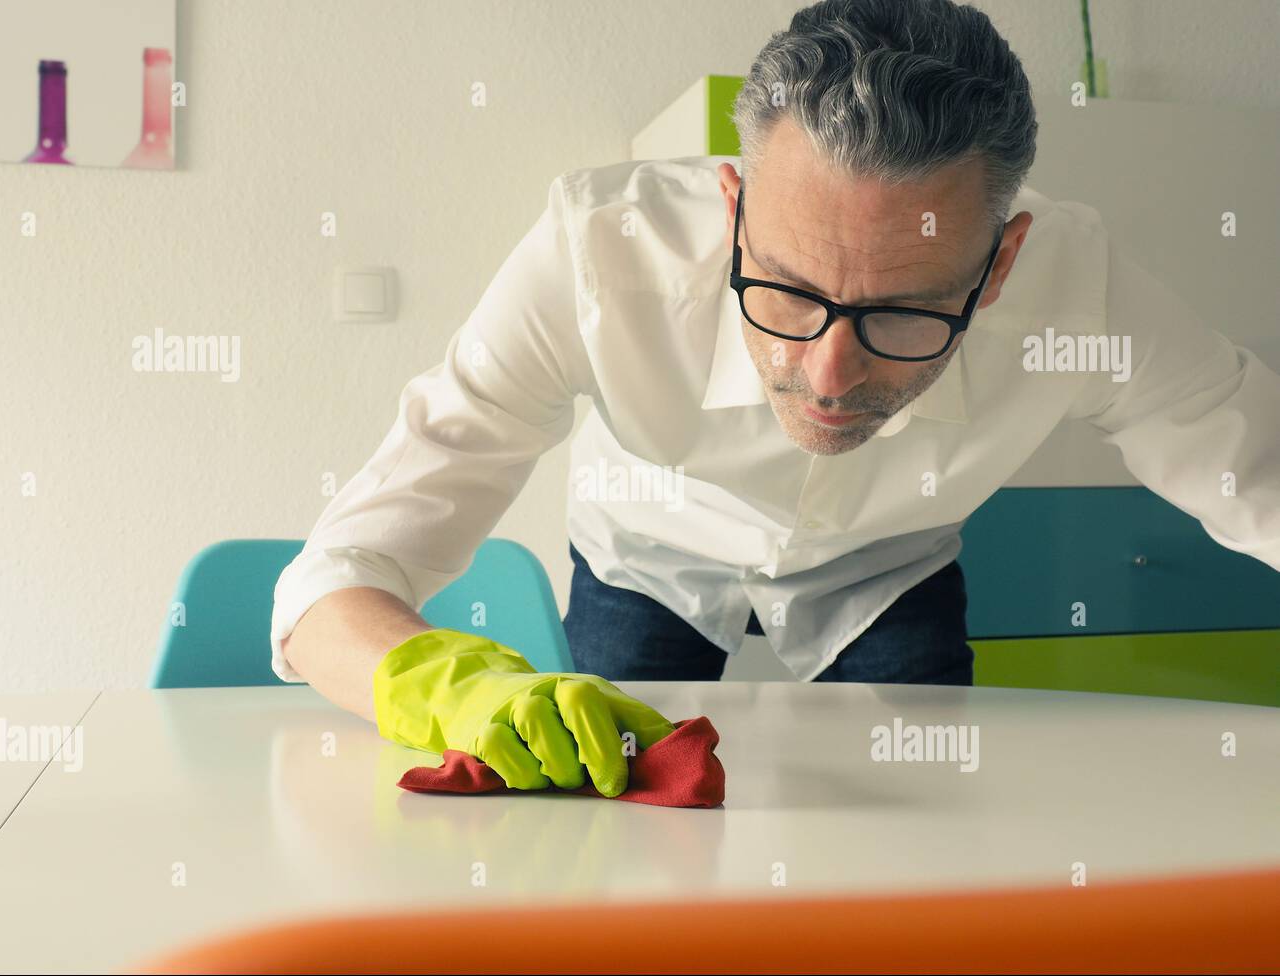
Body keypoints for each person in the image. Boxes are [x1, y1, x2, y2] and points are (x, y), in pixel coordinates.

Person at [272, 0, 1280, 797]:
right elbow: (329, 582)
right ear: (731, 205)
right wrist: (444, 685)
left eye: (907, 312)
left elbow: (1261, 475)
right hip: (647, 553)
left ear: (1002, 263)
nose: (830, 379)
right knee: (613, 839)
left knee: (929, 834)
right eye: (789, 292)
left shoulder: (1077, 289)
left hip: (885, 565)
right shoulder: (596, 257)